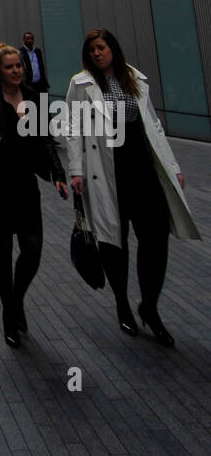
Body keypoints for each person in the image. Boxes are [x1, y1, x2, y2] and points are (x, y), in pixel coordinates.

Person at [64, 28, 200, 346]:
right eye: (92, 50)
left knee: (155, 238)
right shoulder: (81, 84)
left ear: (113, 48)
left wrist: (173, 167)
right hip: (105, 169)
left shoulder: (135, 79)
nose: (98, 54)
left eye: (102, 47)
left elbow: (152, 124)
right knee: (114, 241)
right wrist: (76, 170)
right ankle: (122, 303)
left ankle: (149, 306)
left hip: (140, 165)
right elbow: (72, 126)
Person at [0, 45, 69, 347]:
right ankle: (9, 315)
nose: (16, 71)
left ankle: (15, 299)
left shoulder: (34, 97)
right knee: (2, 249)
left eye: (19, 66)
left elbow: (45, 139)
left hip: (24, 182)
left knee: (33, 248)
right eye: (9, 67)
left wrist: (57, 175)